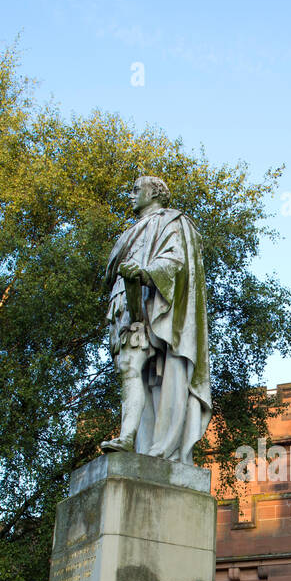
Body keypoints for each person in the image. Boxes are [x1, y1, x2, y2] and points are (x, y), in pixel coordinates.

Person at [101, 174, 211, 463]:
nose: (132, 194)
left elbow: (175, 261)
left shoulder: (172, 221)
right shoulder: (130, 231)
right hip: (124, 302)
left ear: (155, 193)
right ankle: (135, 440)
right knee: (130, 368)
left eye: (137, 189)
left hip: (155, 301)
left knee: (132, 366)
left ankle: (129, 438)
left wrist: (146, 274)